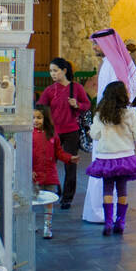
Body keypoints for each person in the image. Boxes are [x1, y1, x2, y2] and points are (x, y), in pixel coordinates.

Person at [83, 29, 136, 223]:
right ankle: (116, 217)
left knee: (105, 177)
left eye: (96, 44)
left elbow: (111, 97)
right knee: (119, 183)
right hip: (117, 131)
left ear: (105, 44)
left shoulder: (111, 64)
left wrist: (100, 118)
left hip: (107, 123)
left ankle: (100, 214)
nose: (94, 48)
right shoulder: (112, 62)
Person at [86, 81, 136, 237]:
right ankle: (120, 222)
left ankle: (108, 222)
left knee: (107, 188)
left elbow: (95, 135)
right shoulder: (131, 113)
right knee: (122, 189)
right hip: (125, 156)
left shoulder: (100, 114)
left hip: (105, 157)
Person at [37, 57, 88, 210]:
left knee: (70, 165)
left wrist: (77, 104)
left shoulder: (76, 88)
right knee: (50, 163)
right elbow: (40, 106)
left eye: (55, 70)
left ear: (64, 71)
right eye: (50, 71)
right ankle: (56, 190)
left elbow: (86, 104)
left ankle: (67, 198)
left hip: (72, 132)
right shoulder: (50, 90)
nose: (52, 74)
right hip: (53, 133)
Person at [32, 105, 78, 237]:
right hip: (34, 176)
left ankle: (47, 227)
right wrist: (29, 170)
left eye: (39, 117)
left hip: (50, 176)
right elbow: (24, 155)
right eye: (33, 118)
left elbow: (59, 152)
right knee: (32, 201)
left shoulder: (53, 135)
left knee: (49, 202)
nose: (35, 120)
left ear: (46, 119)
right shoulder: (29, 135)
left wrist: (69, 158)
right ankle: (31, 224)